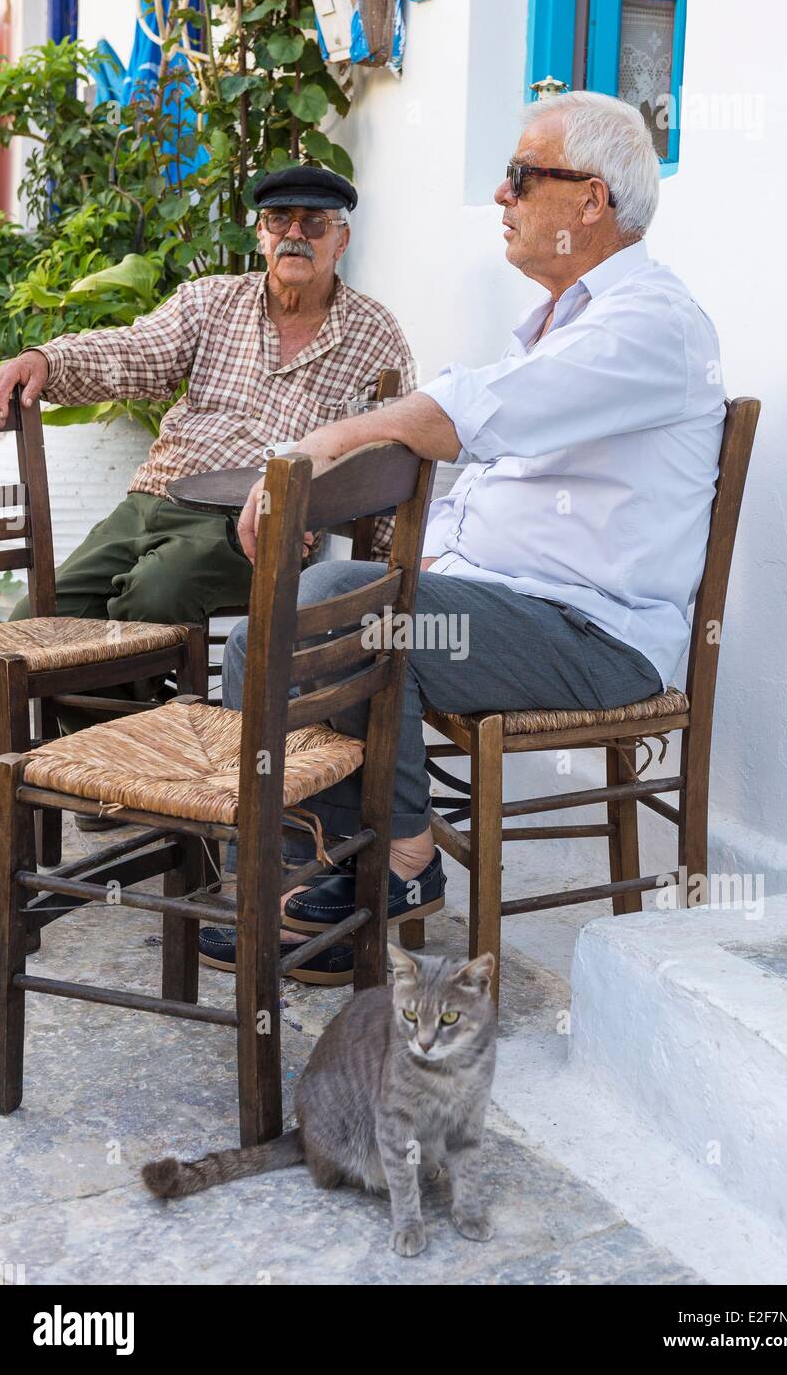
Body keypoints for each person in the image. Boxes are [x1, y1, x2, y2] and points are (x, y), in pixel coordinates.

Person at [201, 92, 725, 983]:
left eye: (522, 176)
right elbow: (483, 472)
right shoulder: (568, 323)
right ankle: (324, 852)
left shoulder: (649, 324)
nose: (501, 195)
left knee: (329, 608)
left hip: (594, 636)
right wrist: (435, 557)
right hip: (512, 607)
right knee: (280, 623)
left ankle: (396, 861)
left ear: (590, 201)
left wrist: (321, 441)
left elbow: (470, 418)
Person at [0, 166, 416, 626]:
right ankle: (107, 696)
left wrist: (378, 577)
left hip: (254, 522)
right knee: (36, 617)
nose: (294, 234)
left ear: (341, 241)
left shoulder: (374, 333)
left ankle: (144, 699)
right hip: (150, 502)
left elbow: (390, 453)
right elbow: (134, 350)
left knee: (151, 601)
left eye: (313, 222)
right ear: (261, 234)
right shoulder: (210, 301)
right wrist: (47, 361)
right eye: (279, 220)